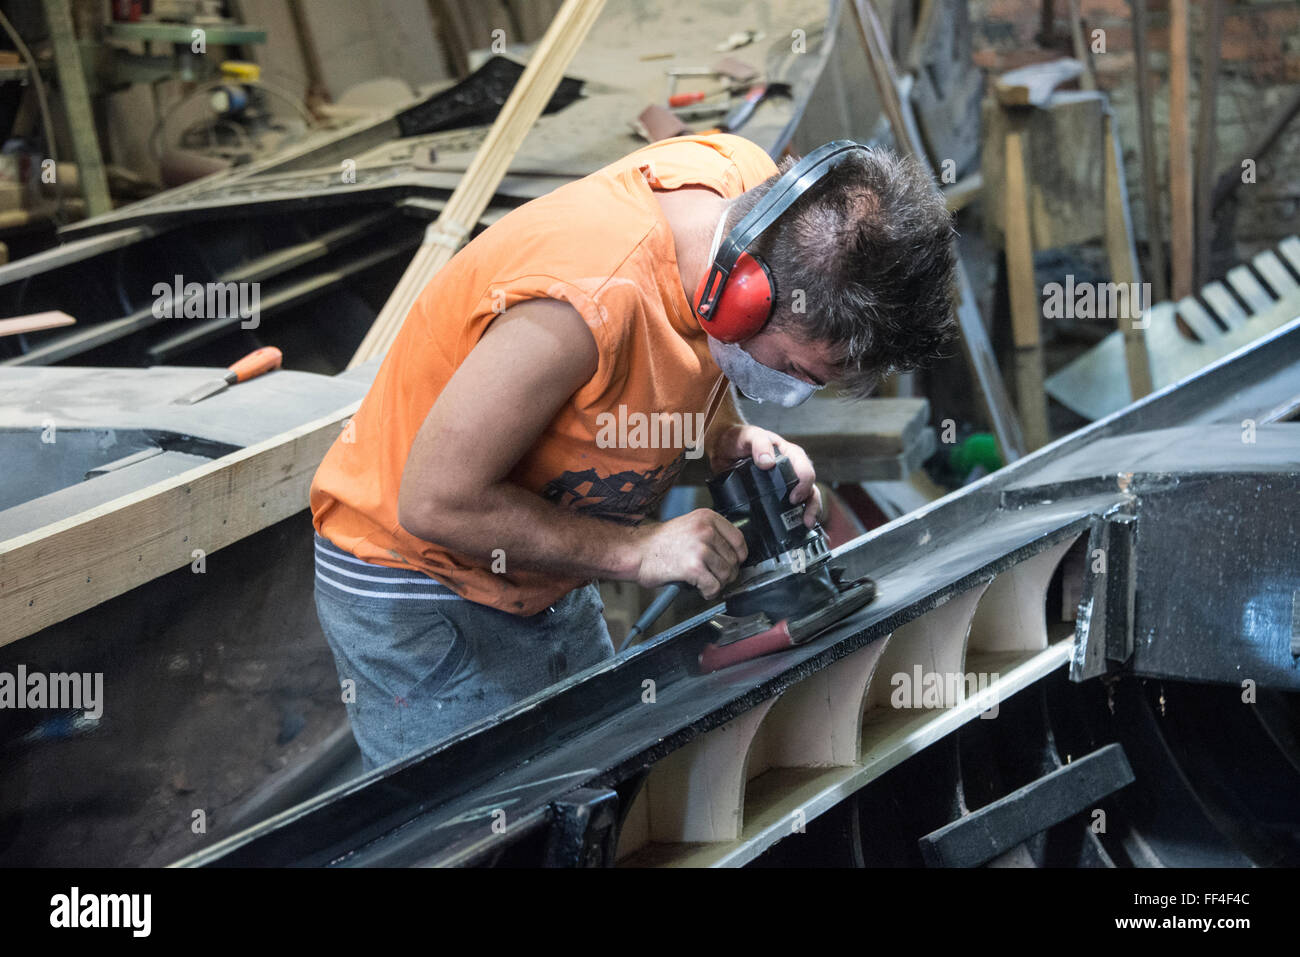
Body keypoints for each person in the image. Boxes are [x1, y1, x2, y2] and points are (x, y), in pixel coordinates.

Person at [309, 132, 956, 769]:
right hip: (420, 581)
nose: (791, 394)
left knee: (591, 788)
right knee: (486, 829)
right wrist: (637, 549)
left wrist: (723, 435)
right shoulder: (579, 306)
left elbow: (672, 365)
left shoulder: (746, 203)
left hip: (544, 560)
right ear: (739, 301)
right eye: (794, 368)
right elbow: (435, 501)